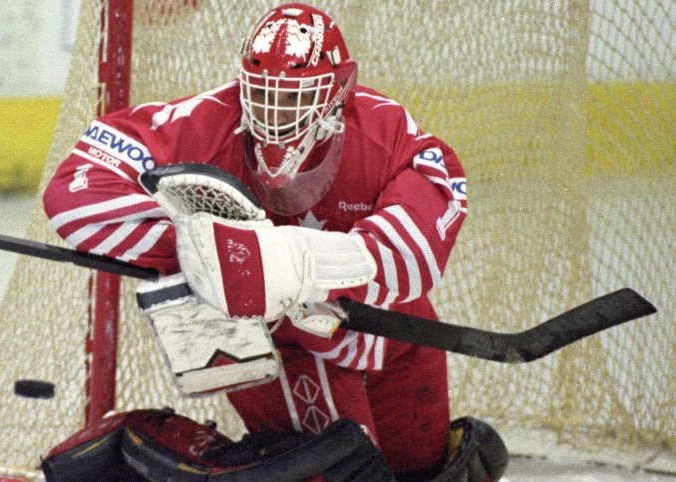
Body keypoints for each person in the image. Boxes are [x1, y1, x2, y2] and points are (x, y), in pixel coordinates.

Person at [44, 3, 502, 480]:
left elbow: (419, 245)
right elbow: (75, 186)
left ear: (341, 88)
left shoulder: (386, 131)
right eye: (261, 95)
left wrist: (300, 260)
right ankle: (156, 444)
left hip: (385, 333)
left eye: (294, 99)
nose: (273, 116)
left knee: (429, 471)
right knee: (343, 474)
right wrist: (204, 247)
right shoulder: (205, 120)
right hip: (271, 344)